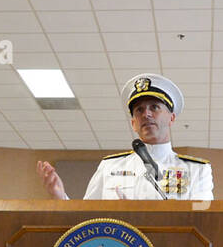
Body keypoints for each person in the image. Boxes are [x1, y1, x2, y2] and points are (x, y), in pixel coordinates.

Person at [36, 74, 212, 200]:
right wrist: (60, 197)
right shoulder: (110, 166)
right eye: (139, 110)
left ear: (171, 118)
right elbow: (86, 220)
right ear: (133, 123)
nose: (147, 114)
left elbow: (206, 220)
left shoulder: (196, 170)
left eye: (154, 107)